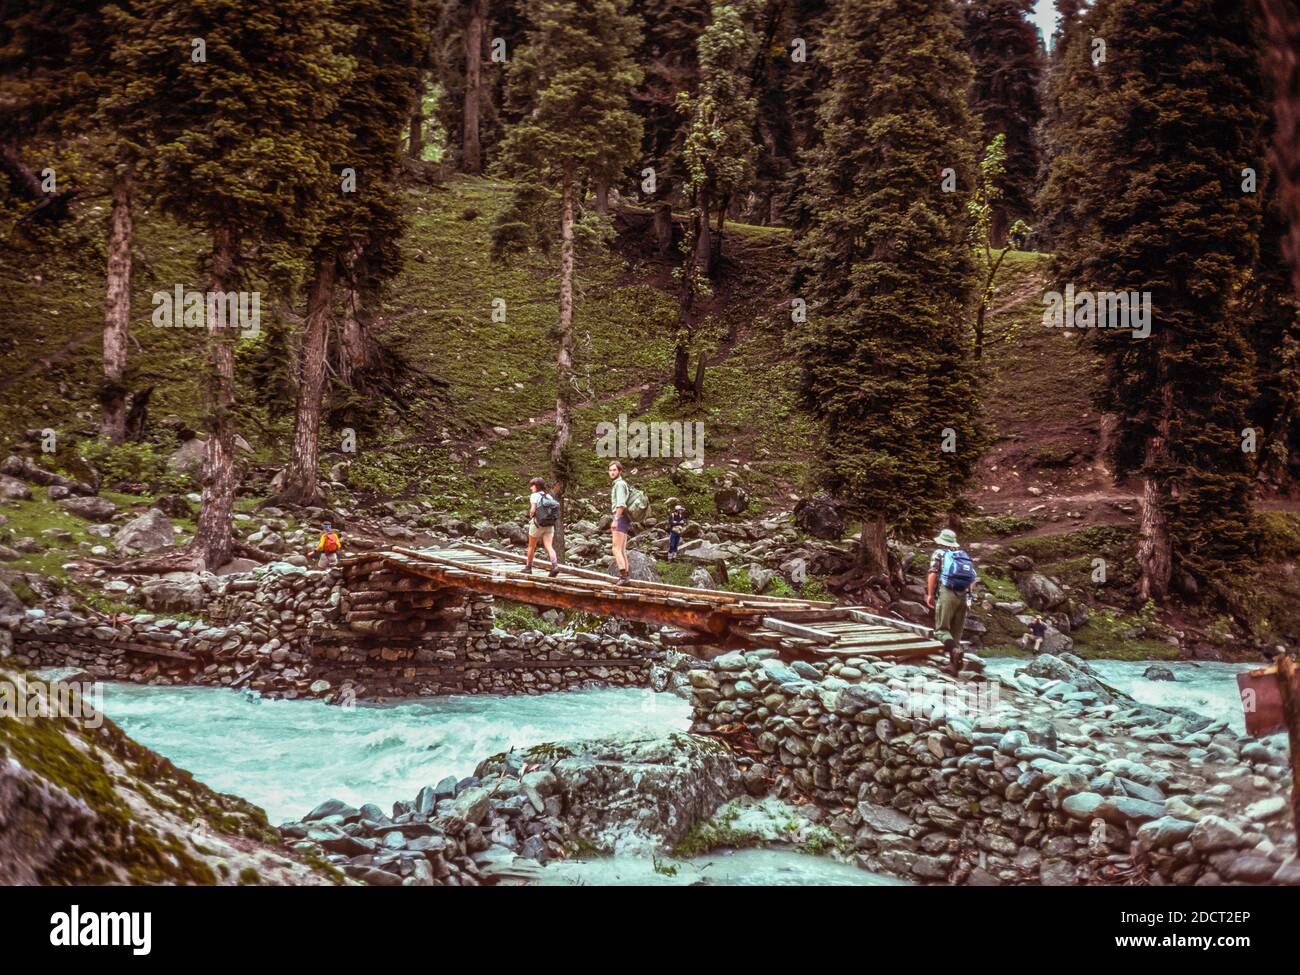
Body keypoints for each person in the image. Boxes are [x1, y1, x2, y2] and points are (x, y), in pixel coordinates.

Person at [926, 528, 977, 670]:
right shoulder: (963, 555)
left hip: (947, 593)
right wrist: (969, 595)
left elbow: (932, 574)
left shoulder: (940, 553)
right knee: (956, 633)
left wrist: (930, 594)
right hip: (964, 595)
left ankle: (954, 652)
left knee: (941, 630)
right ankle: (954, 666)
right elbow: (973, 578)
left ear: (942, 541)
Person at [524, 476, 560, 577]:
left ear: (536, 486)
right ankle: (555, 566)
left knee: (531, 546)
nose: (531, 488)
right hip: (549, 525)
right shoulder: (548, 496)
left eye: (532, 486)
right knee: (549, 546)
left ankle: (528, 568)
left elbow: (532, 510)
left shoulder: (534, 496)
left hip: (537, 524)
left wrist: (531, 516)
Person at [608, 460, 632, 585]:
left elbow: (621, 504)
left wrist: (615, 520)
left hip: (620, 517)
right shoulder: (621, 484)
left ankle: (623, 577)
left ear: (620, 471)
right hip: (624, 518)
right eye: (610, 470)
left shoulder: (619, 485)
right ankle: (626, 576)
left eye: (614, 470)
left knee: (616, 549)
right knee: (622, 550)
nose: (612, 472)